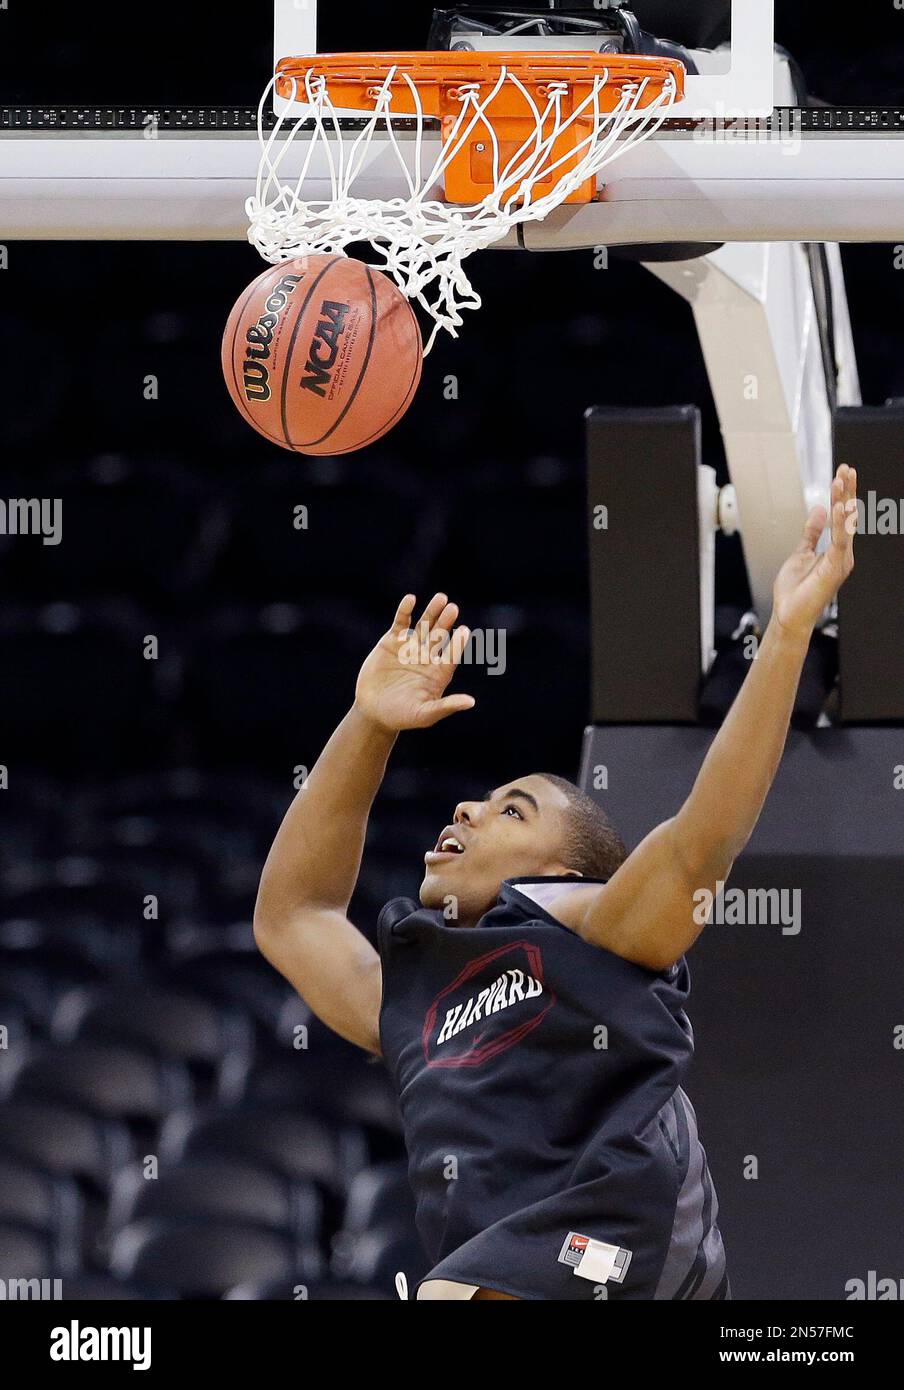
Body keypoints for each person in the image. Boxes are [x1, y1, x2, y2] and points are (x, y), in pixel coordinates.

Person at [254, 465, 858, 1301]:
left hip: (623, 1233)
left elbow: (701, 841)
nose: (469, 807)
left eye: (513, 811)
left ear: (563, 870)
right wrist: (368, 725)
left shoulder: (586, 924)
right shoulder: (415, 992)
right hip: (529, 1267)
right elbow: (292, 914)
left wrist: (786, 637)